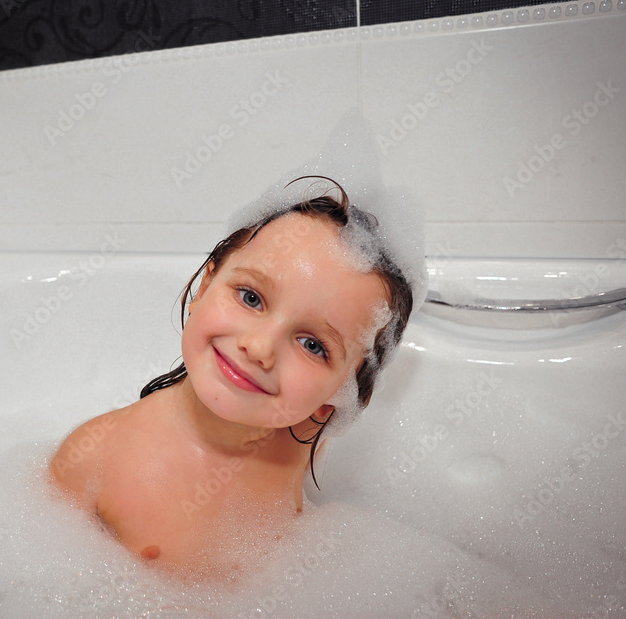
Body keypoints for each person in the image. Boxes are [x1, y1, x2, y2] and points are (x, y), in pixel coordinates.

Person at [50, 176, 415, 577]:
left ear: (337, 395)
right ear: (205, 286)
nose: (259, 349)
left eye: (312, 345)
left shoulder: (307, 429)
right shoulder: (96, 456)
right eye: (251, 297)